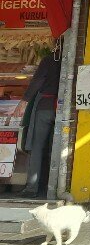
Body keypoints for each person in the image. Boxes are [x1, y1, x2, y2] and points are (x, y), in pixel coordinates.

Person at [20, 53, 62, 198]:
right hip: (64, 108)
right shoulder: (77, 56)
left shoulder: (49, 59)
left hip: (45, 106)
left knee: (37, 147)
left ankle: (32, 188)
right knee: (59, 147)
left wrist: (24, 100)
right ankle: (56, 188)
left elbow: (38, 80)